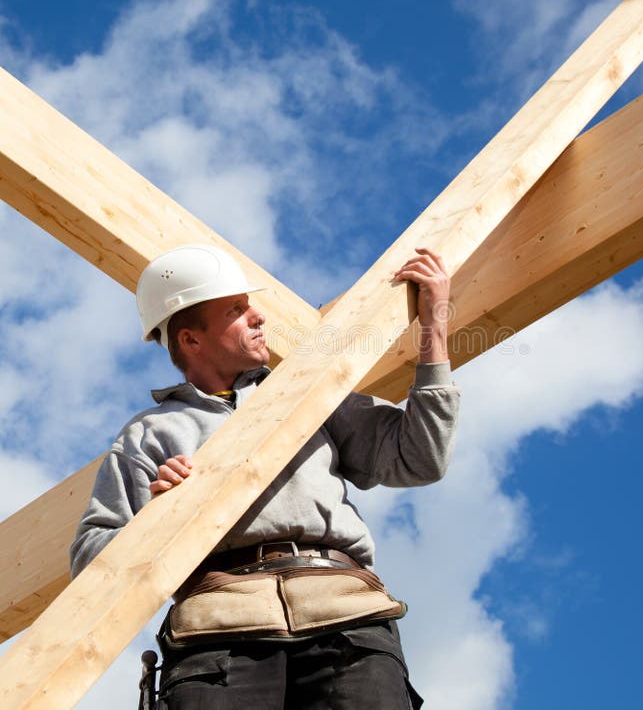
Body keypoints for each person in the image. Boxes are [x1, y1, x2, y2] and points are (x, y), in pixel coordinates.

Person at [70, 243, 459, 709]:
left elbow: (422, 457)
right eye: (236, 309)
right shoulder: (150, 433)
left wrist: (434, 330)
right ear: (191, 340)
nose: (258, 316)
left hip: (343, 616)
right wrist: (154, 519)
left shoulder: (307, 394)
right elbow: (91, 562)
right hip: (218, 635)